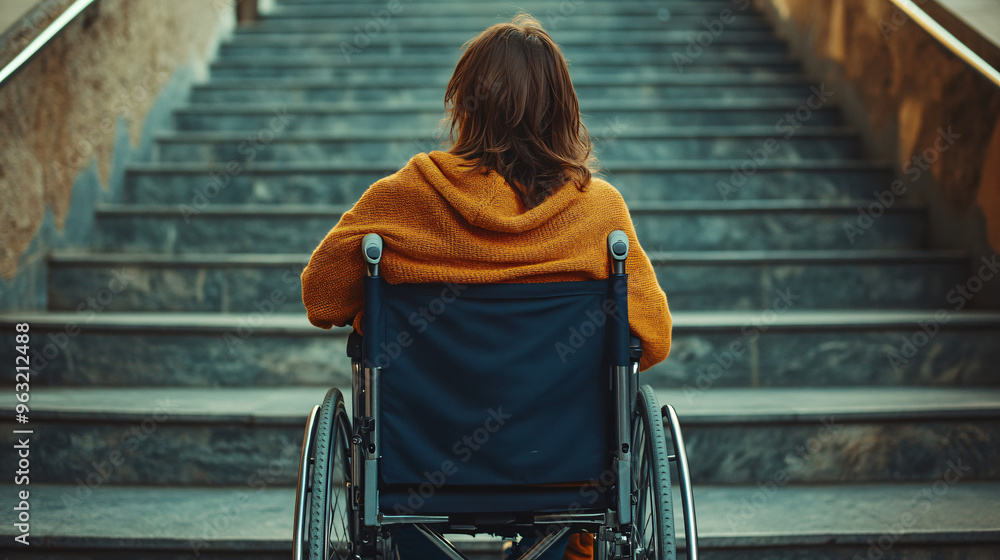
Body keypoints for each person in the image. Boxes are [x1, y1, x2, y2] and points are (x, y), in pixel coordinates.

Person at [301, 13, 672, 560]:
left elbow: (320, 297)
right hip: (562, 466)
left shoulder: (404, 198)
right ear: (562, 110)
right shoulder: (599, 214)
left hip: (418, 464)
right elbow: (654, 337)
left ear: (465, 104)